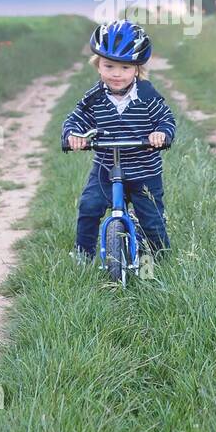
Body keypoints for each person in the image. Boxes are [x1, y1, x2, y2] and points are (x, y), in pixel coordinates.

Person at [62, 20, 175, 260]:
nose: (116, 74)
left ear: (137, 69)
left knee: (152, 220)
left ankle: (158, 258)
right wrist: (73, 135)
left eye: (124, 68)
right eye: (109, 65)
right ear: (98, 65)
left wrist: (161, 134)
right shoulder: (94, 98)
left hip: (144, 169)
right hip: (105, 168)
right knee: (89, 207)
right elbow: (77, 119)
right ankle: (84, 254)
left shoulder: (147, 96)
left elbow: (166, 120)